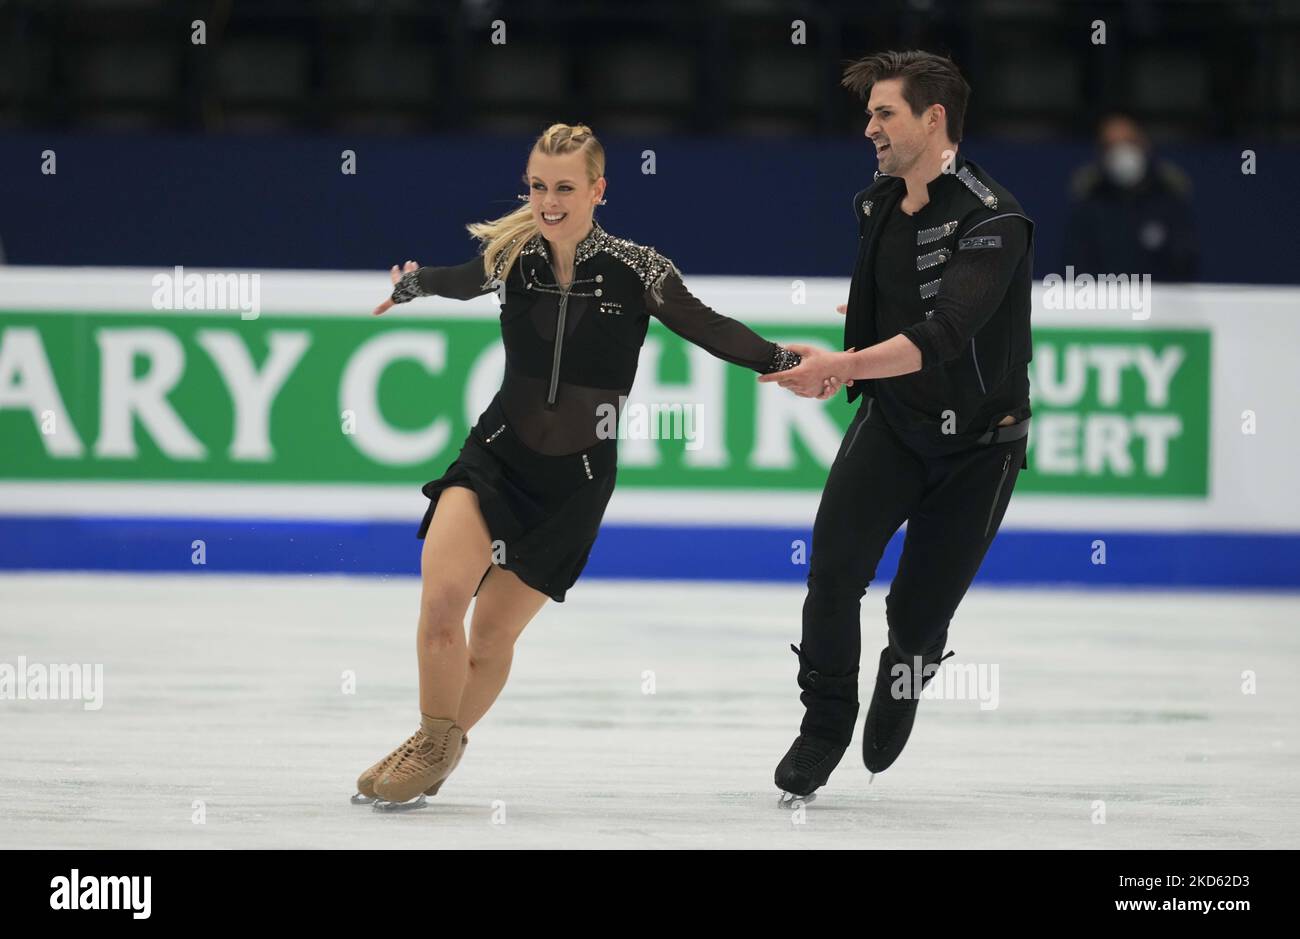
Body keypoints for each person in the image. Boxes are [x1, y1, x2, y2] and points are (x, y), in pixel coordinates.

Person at [354, 122, 807, 810]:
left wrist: (780, 360)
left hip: (575, 484)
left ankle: (438, 741)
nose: (549, 200)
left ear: (598, 189)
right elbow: (457, 278)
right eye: (538, 186)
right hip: (493, 456)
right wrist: (413, 285)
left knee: (492, 634)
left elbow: (708, 326)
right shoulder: (512, 257)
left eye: (565, 187)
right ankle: (432, 736)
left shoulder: (640, 269)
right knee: (442, 604)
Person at [757, 51, 1034, 804]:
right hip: (897, 424)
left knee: (915, 618)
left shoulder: (994, 218)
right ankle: (823, 725)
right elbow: (891, 306)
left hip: (981, 448)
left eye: (885, 113)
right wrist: (860, 346)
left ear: (933, 118)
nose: (869, 126)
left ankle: (906, 667)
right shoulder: (877, 204)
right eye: (871, 112)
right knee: (833, 570)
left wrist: (842, 366)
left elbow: (946, 332)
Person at [1062, 112, 1199, 282]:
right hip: (1102, 303)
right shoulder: (1089, 203)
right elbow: (1075, 266)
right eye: (1111, 146)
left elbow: (1185, 264)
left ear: (1145, 145)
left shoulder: (1169, 199)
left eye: (1129, 142)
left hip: (1160, 303)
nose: (1122, 152)